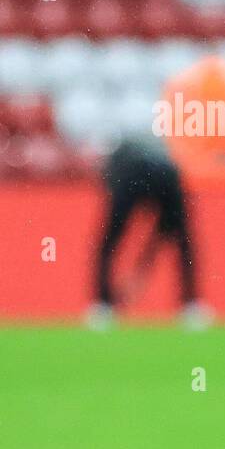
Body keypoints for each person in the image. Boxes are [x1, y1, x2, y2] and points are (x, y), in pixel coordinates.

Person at [88, 138, 208, 330]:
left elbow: (162, 231)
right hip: (160, 177)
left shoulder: (119, 172)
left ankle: (102, 305)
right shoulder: (123, 167)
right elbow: (163, 232)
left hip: (156, 178)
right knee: (184, 243)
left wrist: (144, 262)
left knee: (108, 242)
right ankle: (191, 304)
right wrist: (144, 263)